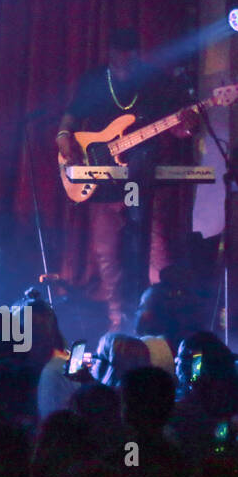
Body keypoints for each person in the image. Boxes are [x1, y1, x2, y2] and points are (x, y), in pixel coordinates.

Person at [56, 28, 197, 329]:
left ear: (137, 56)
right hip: (104, 178)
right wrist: (64, 136)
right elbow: (70, 117)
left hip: (144, 175)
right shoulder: (94, 80)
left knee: (156, 250)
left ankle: (155, 318)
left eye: (130, 59)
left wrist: (187, 126)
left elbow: (178, 127)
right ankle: (116, 319)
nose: (124, 65)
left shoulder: (155, 80)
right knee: (107, 252)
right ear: (110, 55)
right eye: (118, 59)